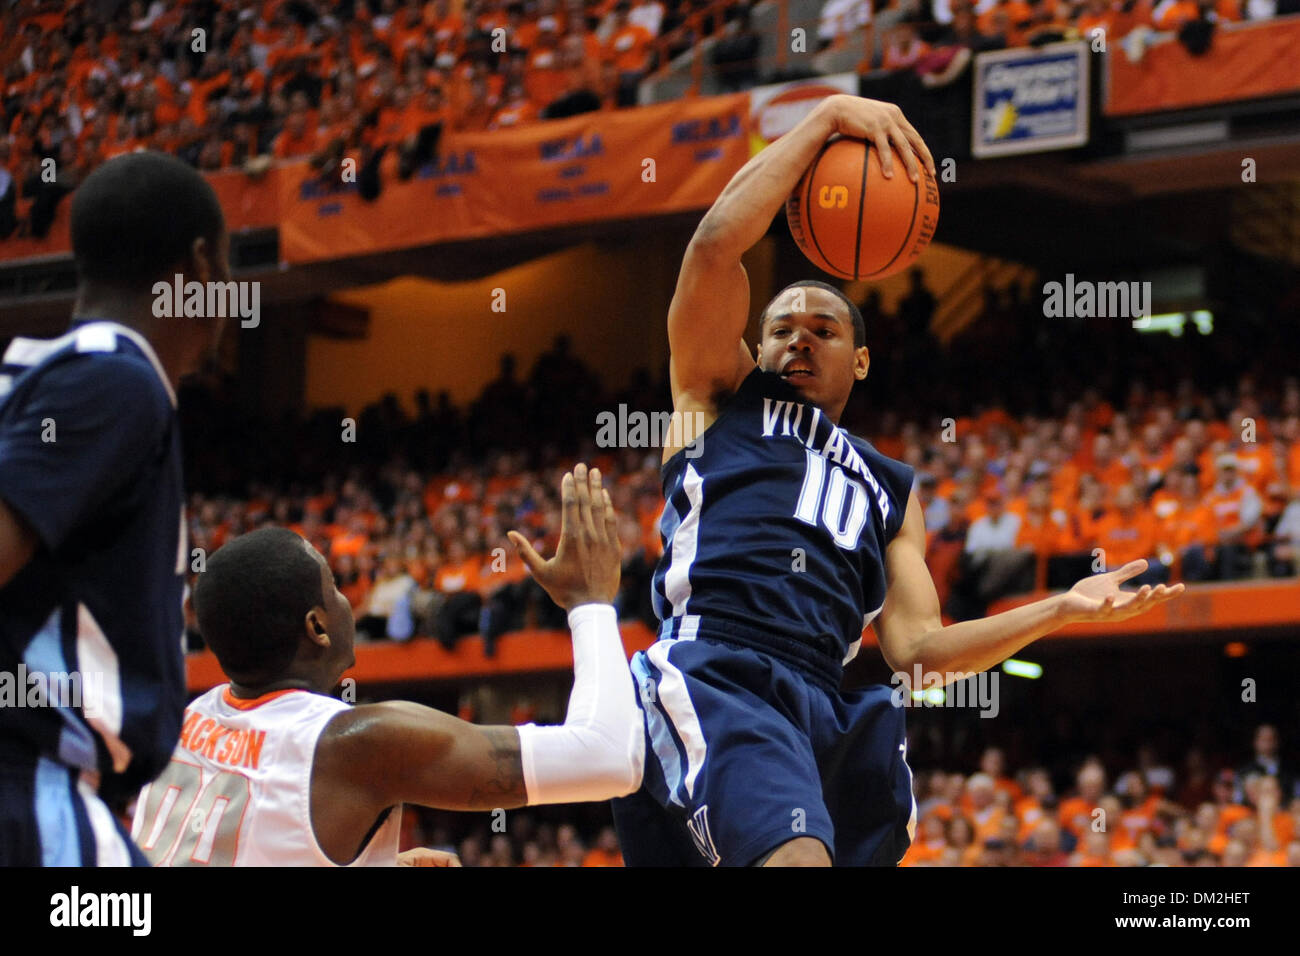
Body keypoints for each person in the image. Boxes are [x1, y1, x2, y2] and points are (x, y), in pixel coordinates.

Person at [611, 93, 1184, 867]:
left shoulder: (890, 486)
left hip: (829, 698)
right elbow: (715, 246)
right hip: (722, 668)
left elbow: (919, 651)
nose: (796, 341)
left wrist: (1060, 609)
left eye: (823, 329)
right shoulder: (717, 399)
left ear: (862, 359)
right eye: (780, 328)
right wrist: (823, 121)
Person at [131, 465, 644, 866]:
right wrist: (591, 603)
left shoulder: (186, 721)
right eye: (334, 587)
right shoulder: (354, 745)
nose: (349, 599)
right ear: (317, 626)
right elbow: (608, 757)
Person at [0, 152, 230, 866]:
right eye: (227, 265)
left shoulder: (59, 368)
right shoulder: (115, 380)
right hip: (32, 787)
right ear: (197, 266)